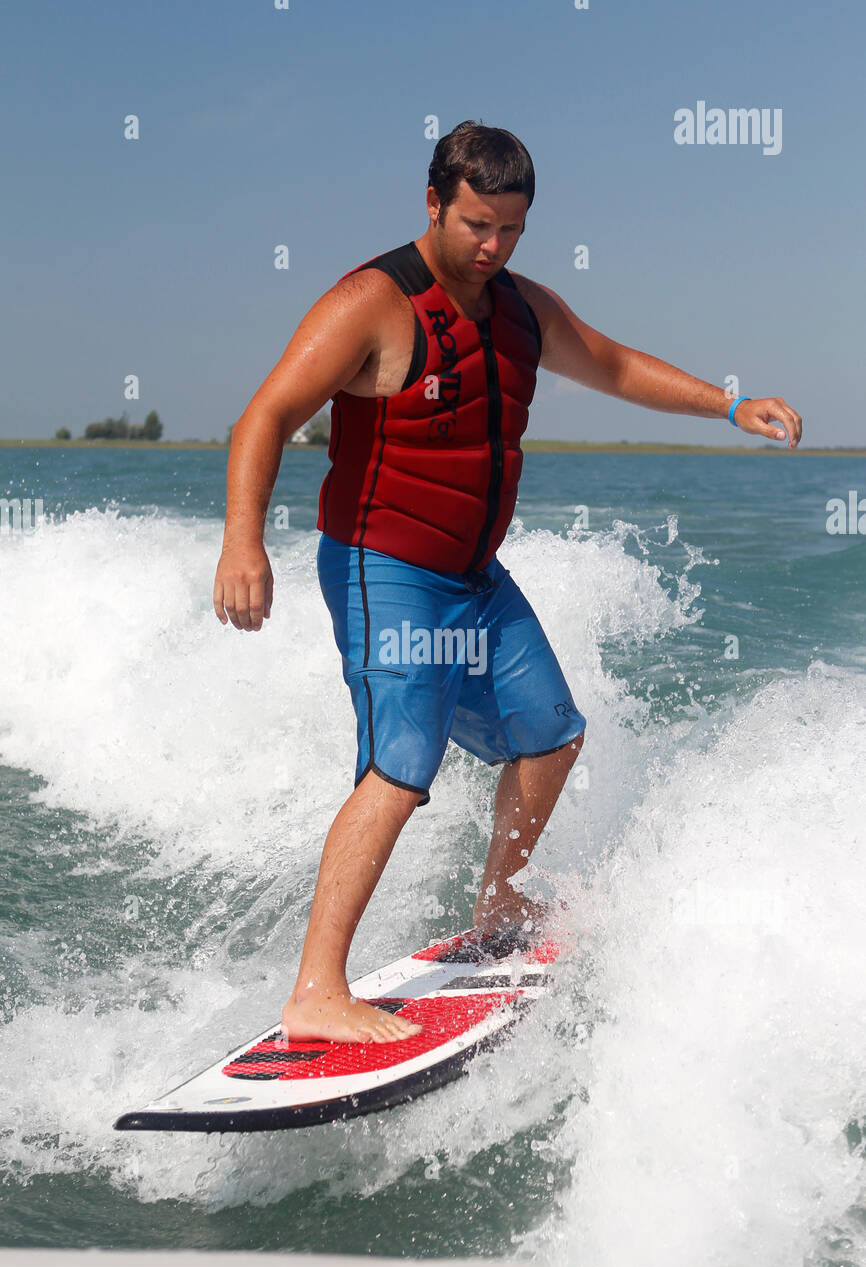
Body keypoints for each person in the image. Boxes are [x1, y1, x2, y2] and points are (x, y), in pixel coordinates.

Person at [213, 121, 802, 1046]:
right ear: (434, 202)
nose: (492, 247)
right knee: (400, 770)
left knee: (550, 735)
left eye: (512, 231)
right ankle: (315, 990)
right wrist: (243, 542)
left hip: (475, 579)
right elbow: (267, 412)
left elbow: (611, 365)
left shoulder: (521, 309)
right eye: (477, 225)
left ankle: (500, 909)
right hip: (385, 571)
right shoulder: (373, 302)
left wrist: (729, 404)